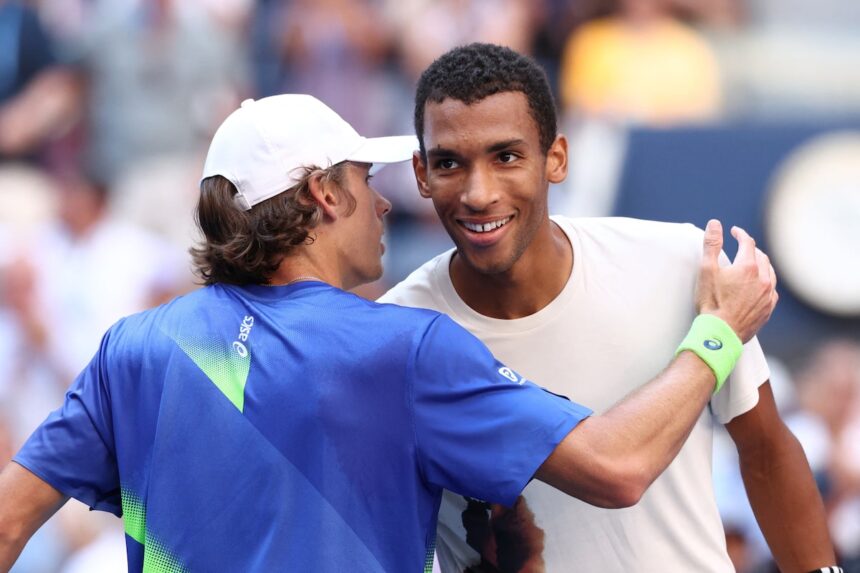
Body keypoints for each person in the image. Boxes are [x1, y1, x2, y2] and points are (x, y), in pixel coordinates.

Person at [0, 94, 776, 572]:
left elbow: (7, 520)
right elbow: (617, 466)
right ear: (321, 195)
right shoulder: (402, 347)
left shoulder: (131, 350)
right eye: (365, 181)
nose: (382, 205)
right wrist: (718, 333)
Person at [379, 43, 836, 572]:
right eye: (450, 163)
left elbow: (765, 451)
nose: (478, 193)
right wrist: (720, 333)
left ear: (556, 158)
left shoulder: (677, 262)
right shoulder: (398, 333)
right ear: (420, 173)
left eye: (506, 156)